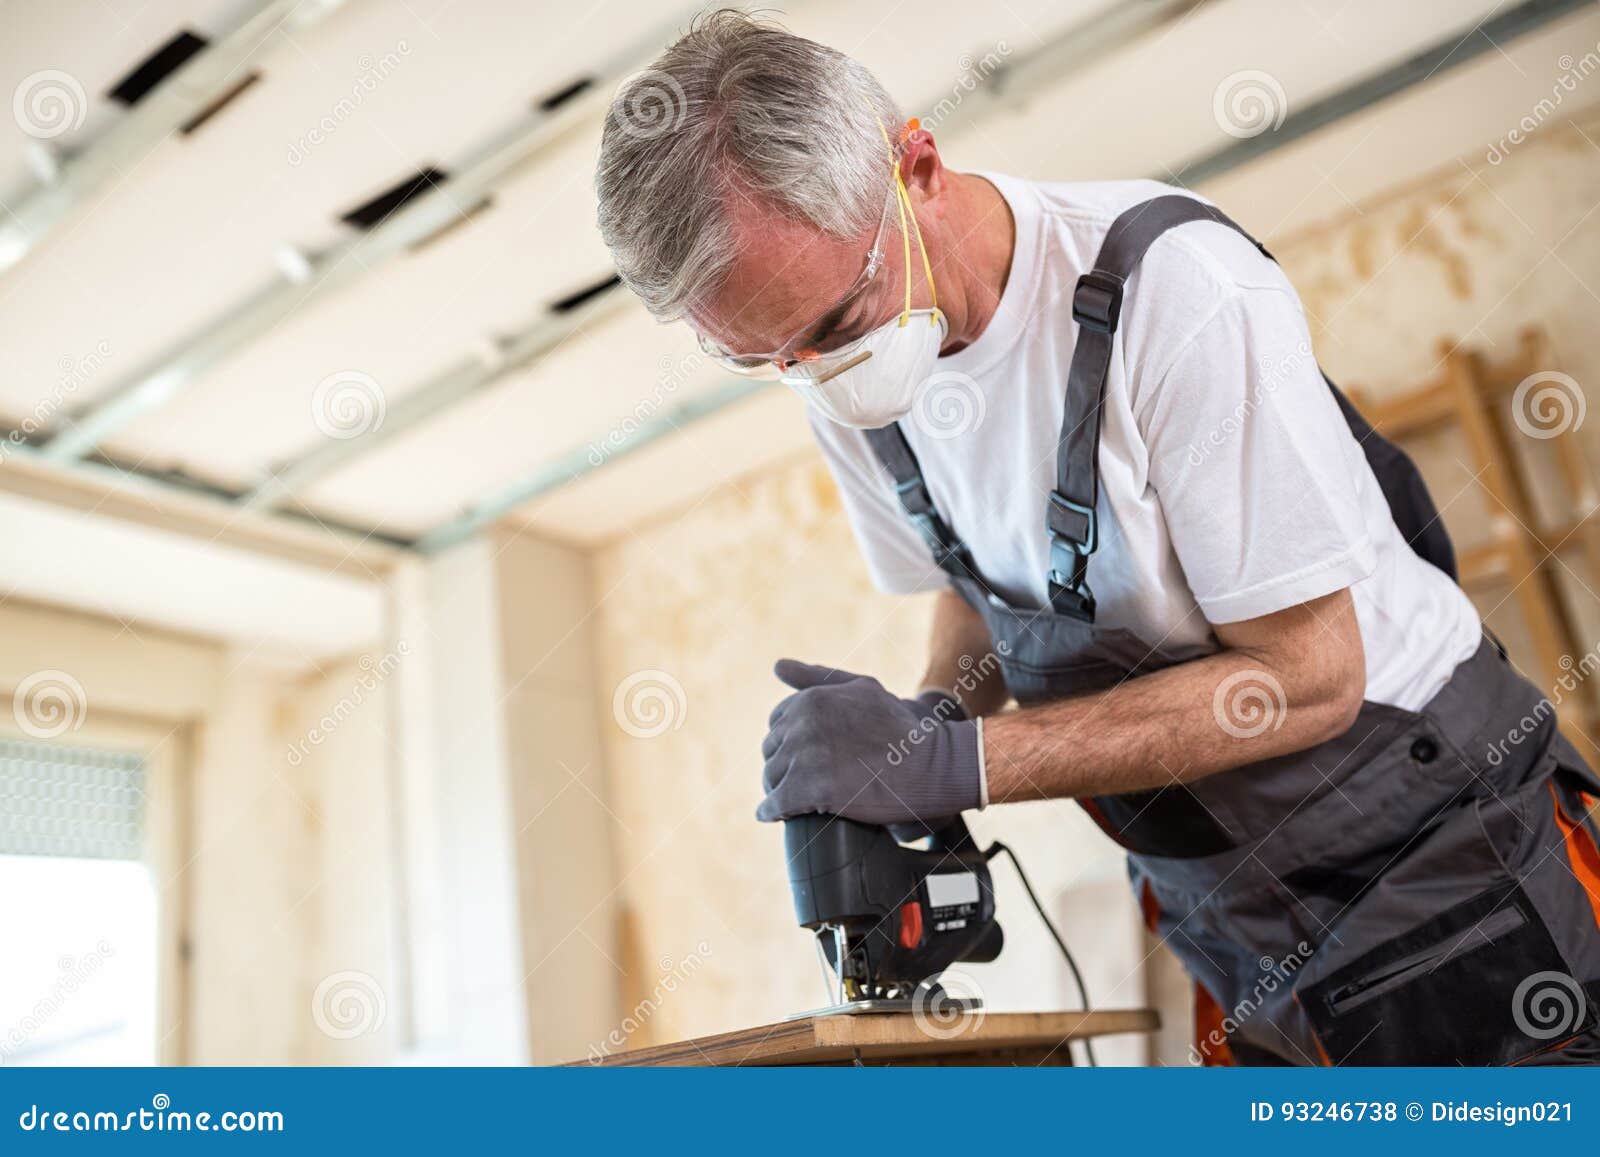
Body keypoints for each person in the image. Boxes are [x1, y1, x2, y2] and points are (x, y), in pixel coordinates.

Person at [593, 9, 1600, 1065]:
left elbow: (1309, 675)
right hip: (1225, 906)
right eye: (767, 361)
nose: (819, 379)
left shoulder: (1175, 289)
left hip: (1437, 860)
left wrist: (960, 760)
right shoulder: (842, 386)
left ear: (918, 167)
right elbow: (977, 583)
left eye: (838, 324)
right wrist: (928, 716)